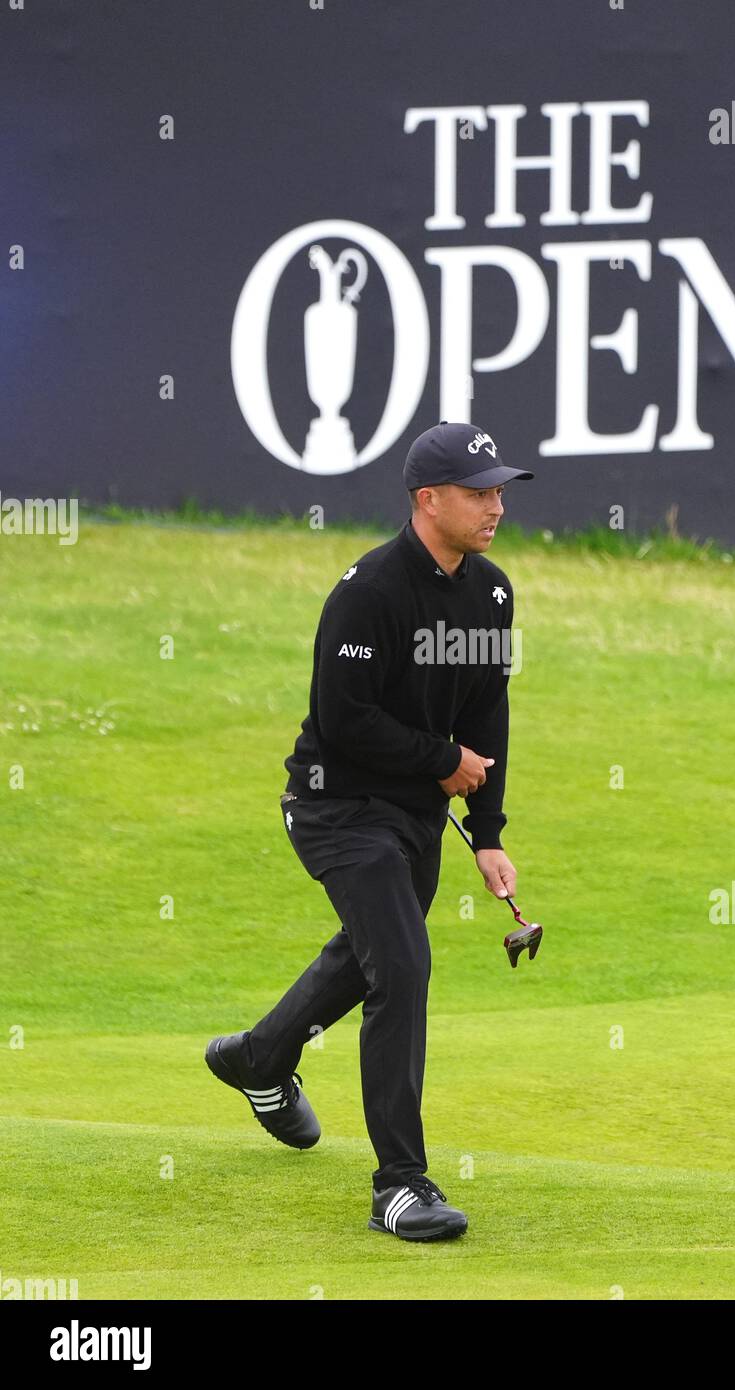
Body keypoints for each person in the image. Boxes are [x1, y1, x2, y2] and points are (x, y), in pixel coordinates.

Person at [205, 421, 533, 1242]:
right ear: (428, 500)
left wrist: (486, 829)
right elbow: (344, 722)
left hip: (415, 812)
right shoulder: (370, 592)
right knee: (403, 965)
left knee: (365, 956)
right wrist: (441, 757)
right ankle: (400, 1186)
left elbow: (487, 712)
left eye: (498, 491)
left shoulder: (490, 592)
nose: (495, 506)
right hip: (336, 807)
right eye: (477, 492)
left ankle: (258, 1057)